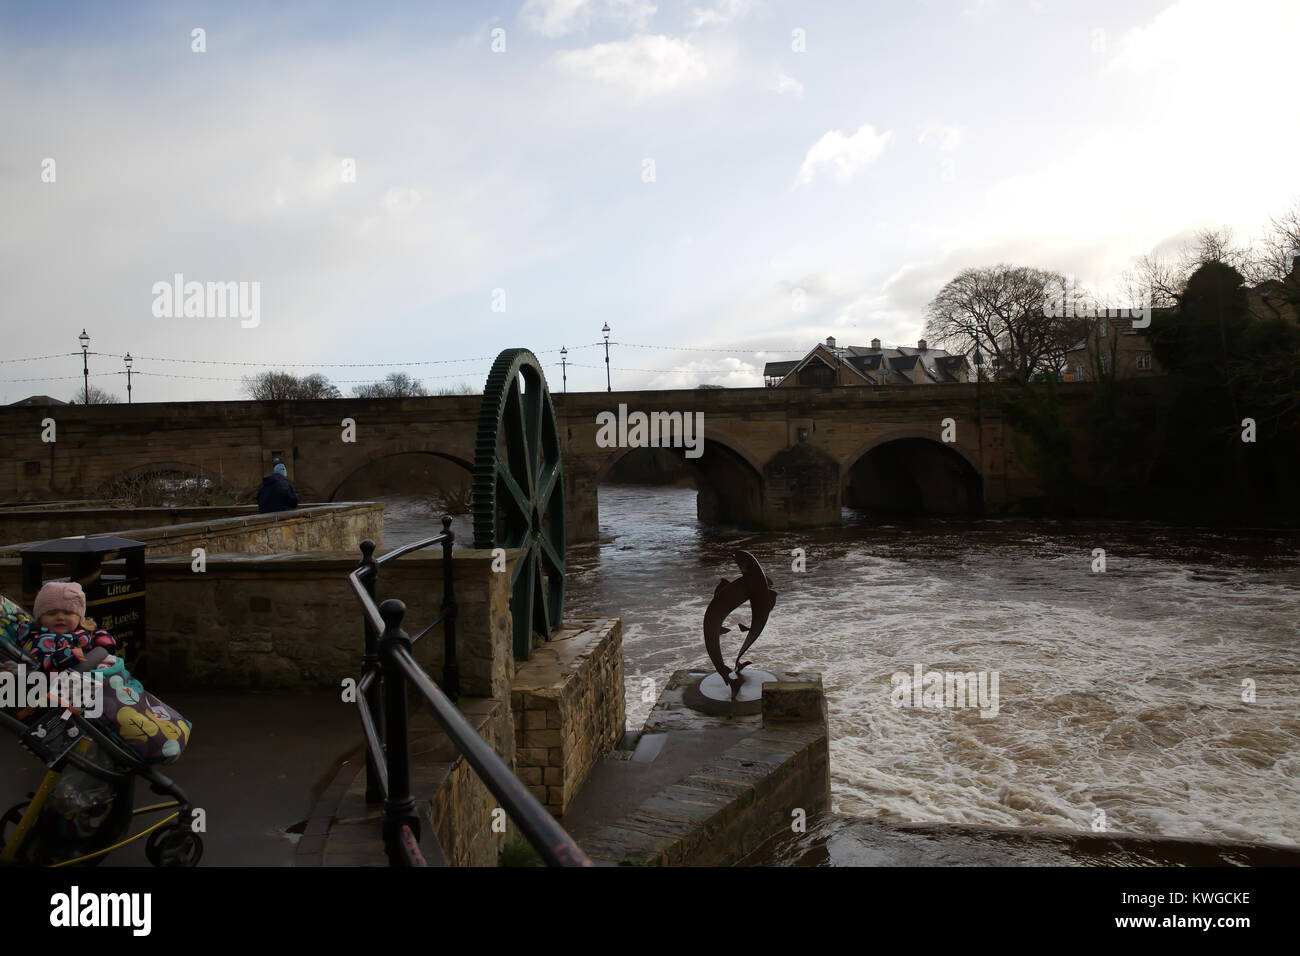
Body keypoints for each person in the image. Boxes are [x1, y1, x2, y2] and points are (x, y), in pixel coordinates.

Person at [17, 581, 117, 673]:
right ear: (40, 618)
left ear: (79, 618)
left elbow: (95, 634)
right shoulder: (41, 639)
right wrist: (70, 654)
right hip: (61, 682)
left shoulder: (82, 631)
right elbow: (43, 665)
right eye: (51, 614)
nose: (60, 617)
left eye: (68, 613)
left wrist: (105, 641)